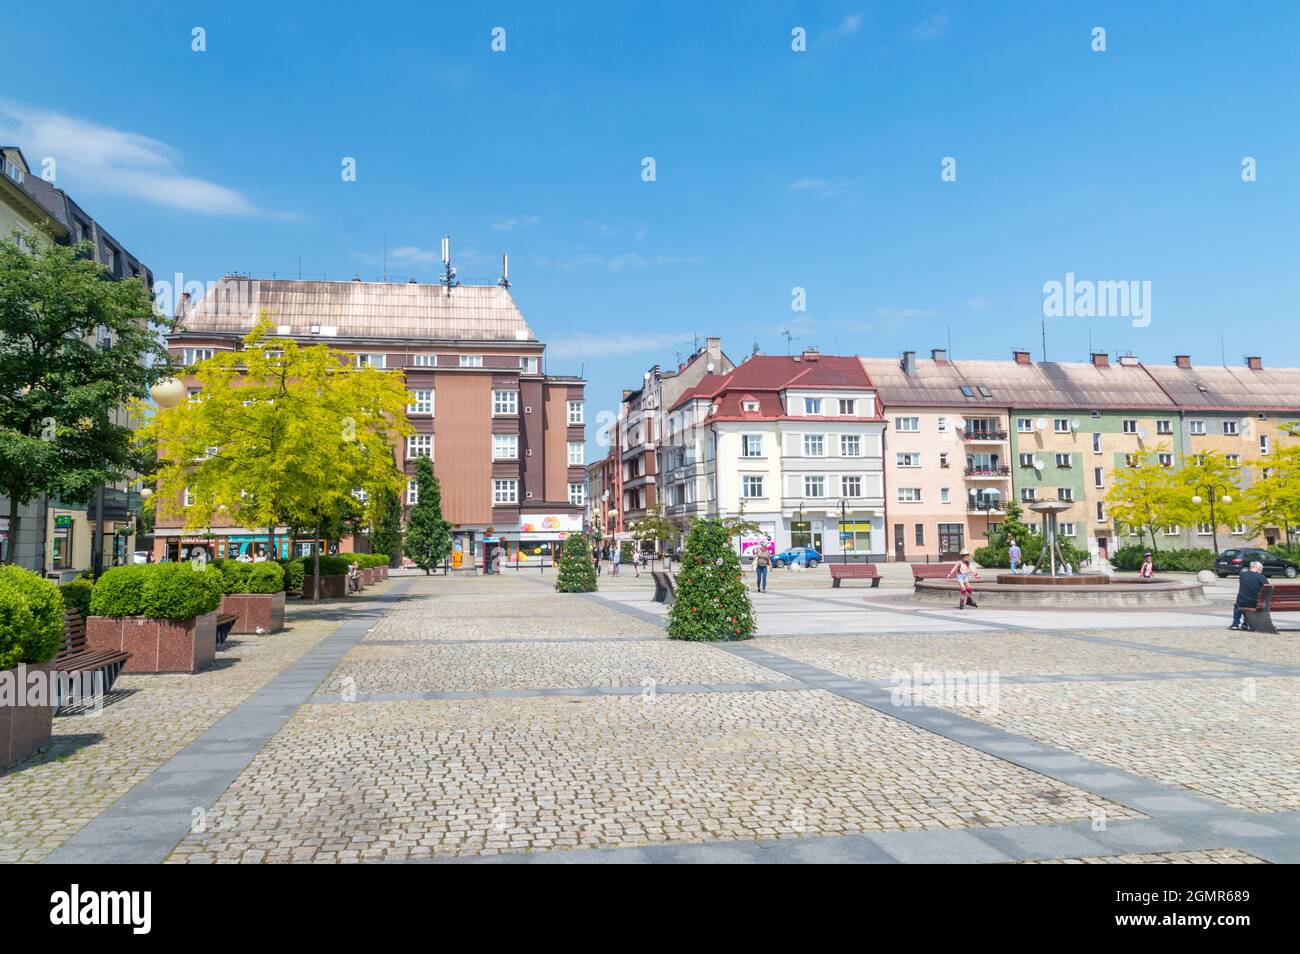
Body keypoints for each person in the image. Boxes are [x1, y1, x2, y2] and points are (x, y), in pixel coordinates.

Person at [1231, 560, 1268, 631]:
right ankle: (1245, 623)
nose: (1261, 571)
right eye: (1261, 569)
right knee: (1249, 602)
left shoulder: (1243, 575)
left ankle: (1235, 623)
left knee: (1239, 604)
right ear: (1258, 568)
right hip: (1255, 602)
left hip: (1242, 602)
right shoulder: (1261, 577)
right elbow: (1268, 588)